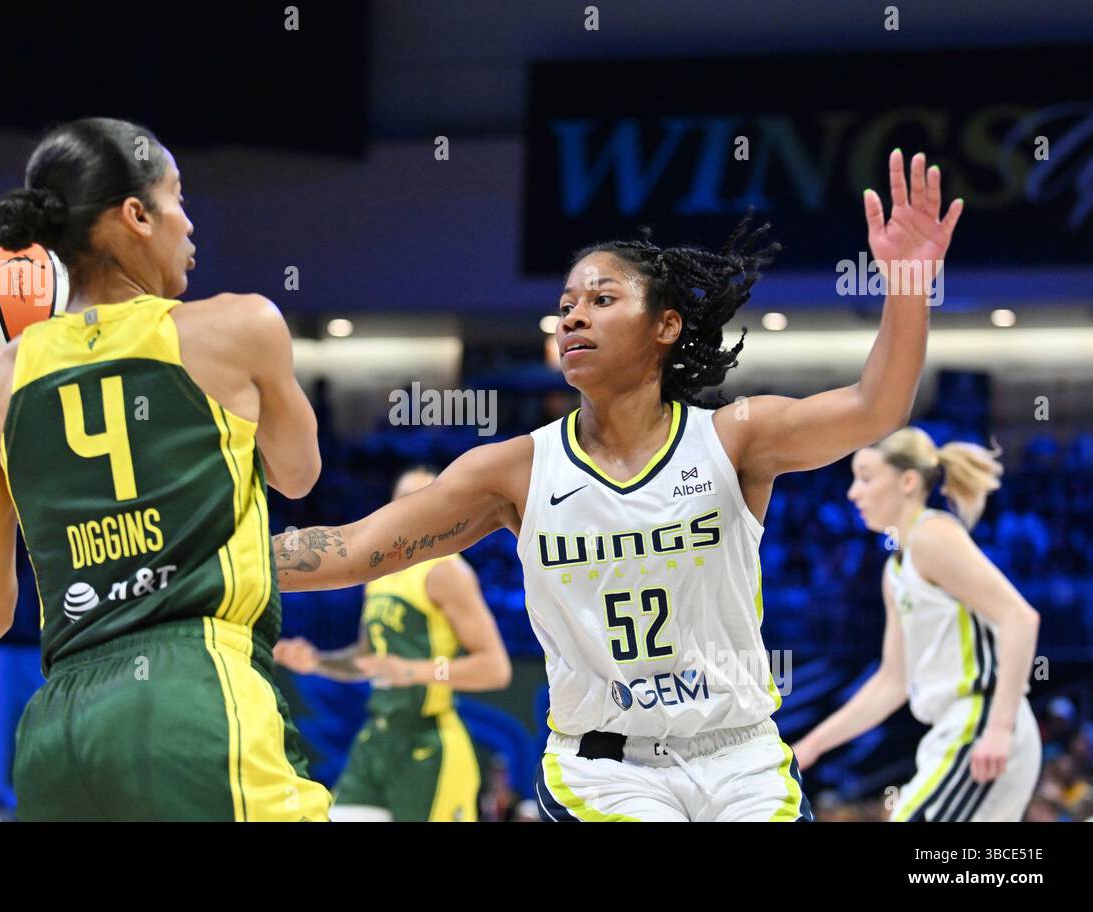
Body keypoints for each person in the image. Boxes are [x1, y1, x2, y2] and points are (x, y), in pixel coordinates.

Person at [274, 150, 964, 821]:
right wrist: (198, 556)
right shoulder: (516, 469)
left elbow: (875, 407)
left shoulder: (733, 439)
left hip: (743, 757)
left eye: (602, 299)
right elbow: (354, 547)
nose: (573, 316)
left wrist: (907, 285)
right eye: (566, 304)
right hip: (604, 770)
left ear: (666, 326)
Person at [0, 117, 329, 821]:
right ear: (137, 215)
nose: (190, 225)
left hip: (59, 731)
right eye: (178, 199)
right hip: (198, 697)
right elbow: (298, 473)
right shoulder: (241, 326)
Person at [793, 428, 1041, 821]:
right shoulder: (896, 568)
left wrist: (998, 727)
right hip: (958, 728)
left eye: (866, 477)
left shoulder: (932, 534)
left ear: (907, 481)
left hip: (980, 722)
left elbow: (1020, 618)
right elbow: (893, 681)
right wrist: (812, 745)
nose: (852, 492)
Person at [275, 466, 511, 821]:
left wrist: (413, 670)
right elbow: (368, 659)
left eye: (424, 500)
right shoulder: (380, 576)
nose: (413, 510)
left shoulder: (447, 571)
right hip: (377, 738)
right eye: (404, 501)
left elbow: (494, 667)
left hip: (428, 742)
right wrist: (317, 662)